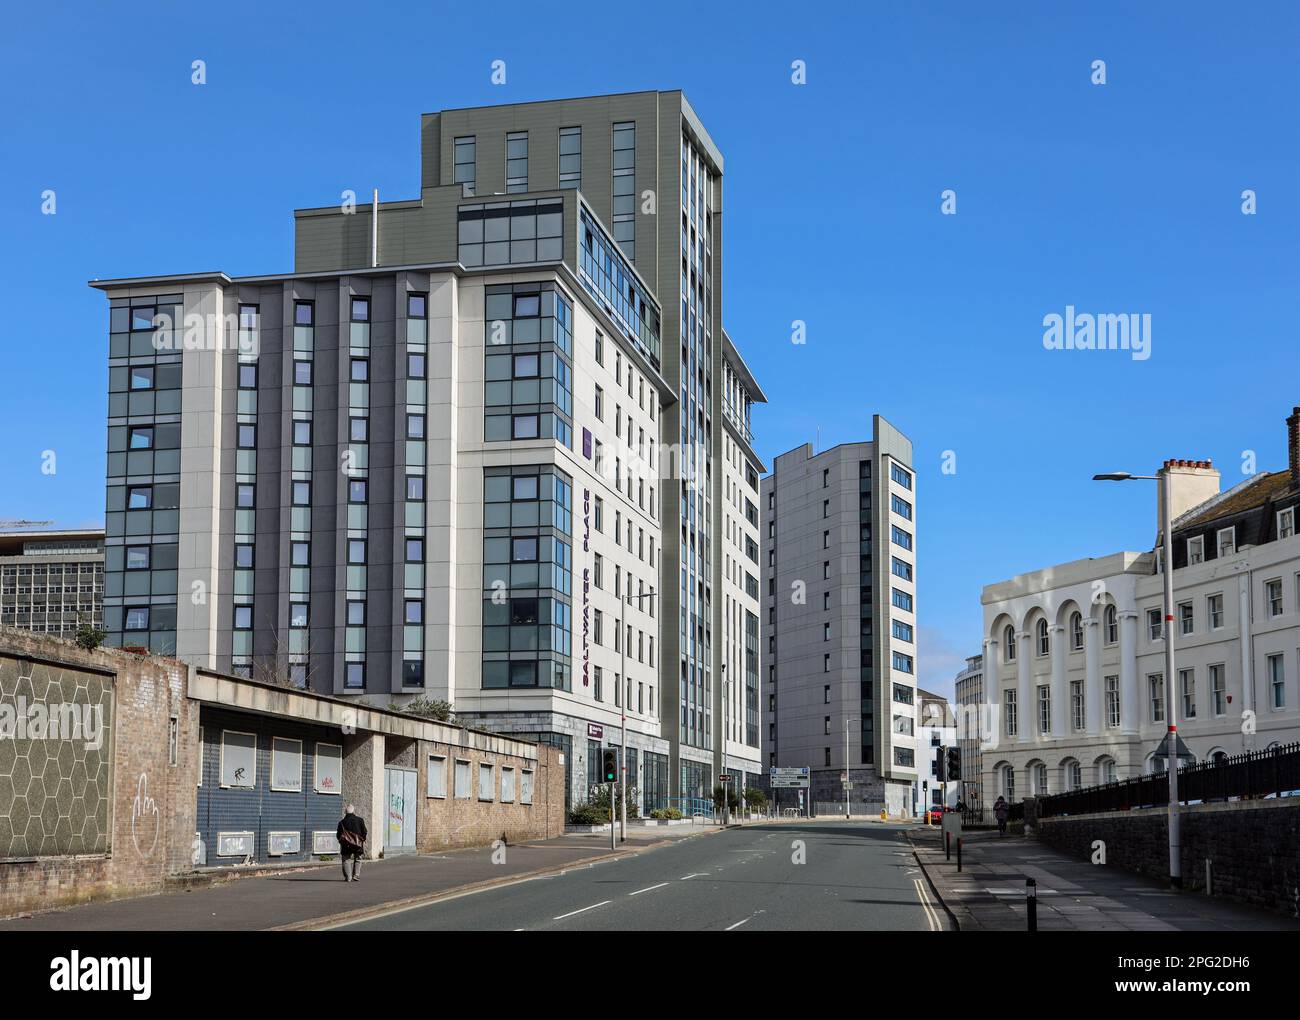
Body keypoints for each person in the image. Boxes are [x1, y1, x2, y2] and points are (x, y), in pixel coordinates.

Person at [337, 804, 367, 881]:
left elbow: (338, 835)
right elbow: (364, 831)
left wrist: (341, 842)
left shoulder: (342, 822)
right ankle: (356, 875)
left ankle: (348, 877)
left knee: (346, 860)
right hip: (357, 843)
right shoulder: (360, 820)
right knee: (358, 859)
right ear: (353, 811)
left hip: (346, 844)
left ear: (345, 812)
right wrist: (362, 839)